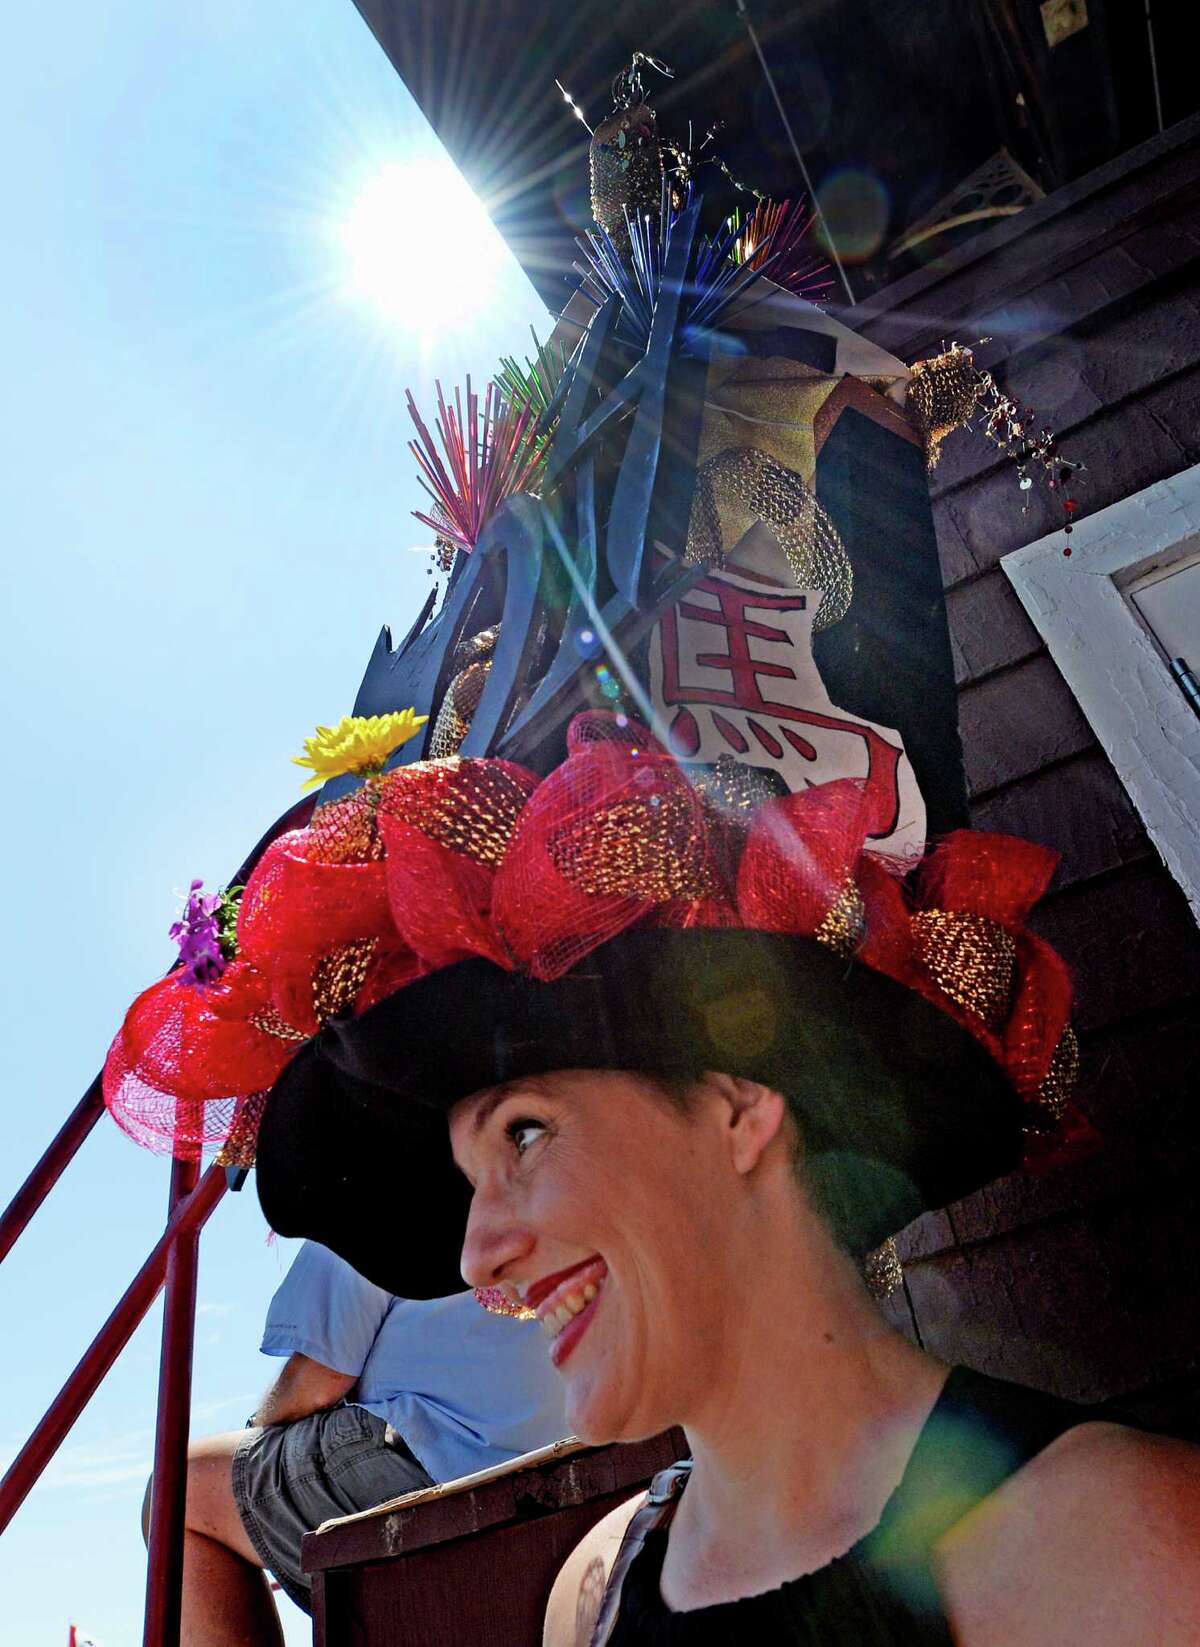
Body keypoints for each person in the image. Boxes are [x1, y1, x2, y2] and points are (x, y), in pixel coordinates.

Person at [146, 1238, 568, 1647]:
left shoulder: (357, 1195)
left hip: (438, 1456)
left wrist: (259, 1427)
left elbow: (317, 1381)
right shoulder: (546, 1197)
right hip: (573, 1464)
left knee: (180, 1492)